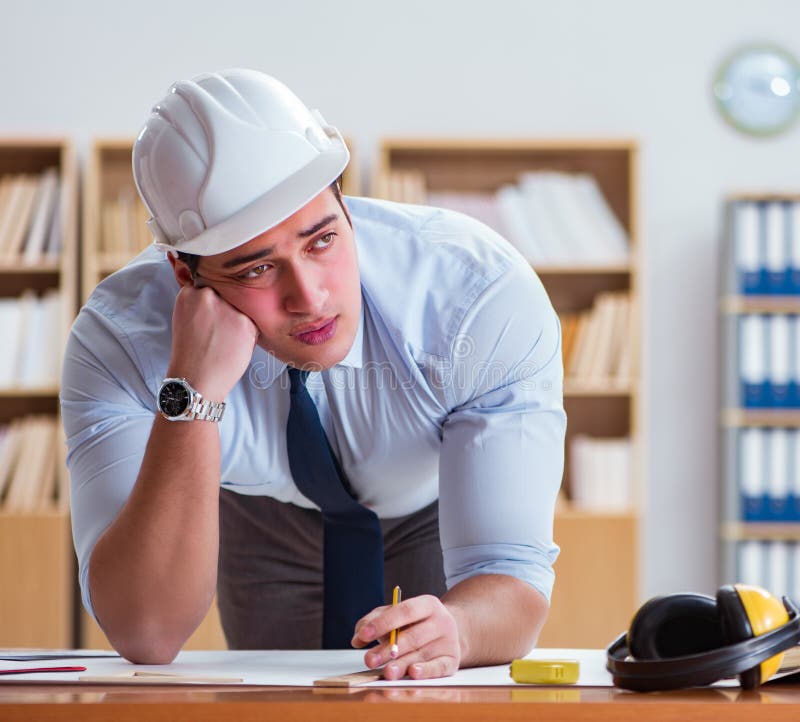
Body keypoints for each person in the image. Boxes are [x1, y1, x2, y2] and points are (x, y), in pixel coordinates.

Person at [61, 68, 566, 680]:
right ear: (186, 276)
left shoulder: (476, 299)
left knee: (435, 682)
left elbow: (512, 584)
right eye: (255, 270)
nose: (309, 297)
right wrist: (191, 396)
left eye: (321, 240)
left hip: (432, 497)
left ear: (344, 207)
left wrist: (458, 627)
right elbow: (146, 631)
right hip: (260, 510)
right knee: (275, 701)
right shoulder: (119, 338)